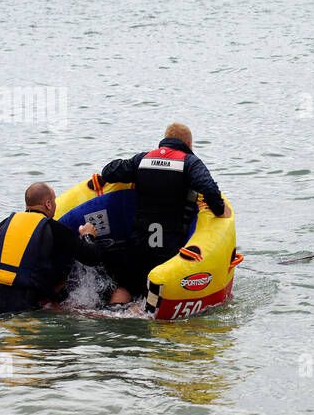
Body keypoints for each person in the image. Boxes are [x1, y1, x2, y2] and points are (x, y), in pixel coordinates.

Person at [98, 123, 230, 304]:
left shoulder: (142, 159)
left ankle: (115, 311)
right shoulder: (189, 162)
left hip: (139, 240)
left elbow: (109, 171)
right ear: (189, 144)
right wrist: (220, 209)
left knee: (128, 286)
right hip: (168, 242)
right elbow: (209, 188)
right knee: (157, 289)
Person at [0, 182, 102, 315]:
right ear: (48, 204)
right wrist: (88, 235)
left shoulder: (5, 223)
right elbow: (92, 257)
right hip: (20, 307)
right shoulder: (53, 227)